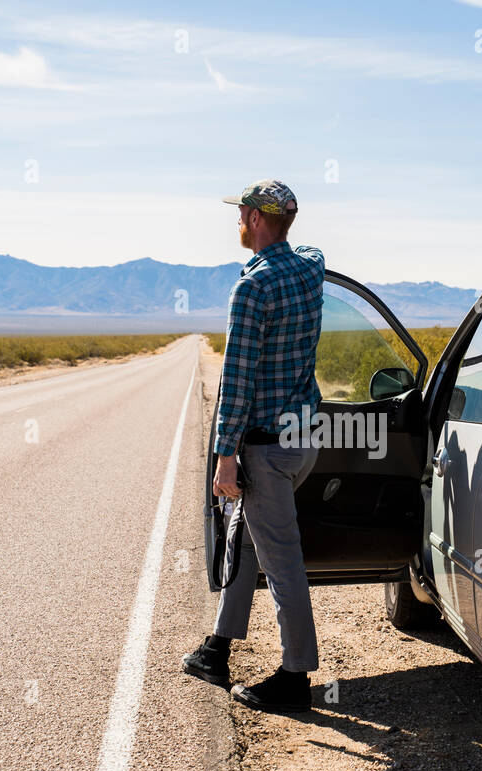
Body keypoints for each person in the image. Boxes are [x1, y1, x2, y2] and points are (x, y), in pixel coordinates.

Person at [181, 178, 323, 712]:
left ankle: (295, 678)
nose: (236, 221)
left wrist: (224, 456)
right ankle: (217, 647)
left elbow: (237, 382)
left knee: (282, 561)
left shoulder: (253, 288)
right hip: (303, 440)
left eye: (241, 212)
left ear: (258, 219)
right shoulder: (310, 266)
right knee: (245, 536)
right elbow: (305, 247)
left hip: (265, 448)